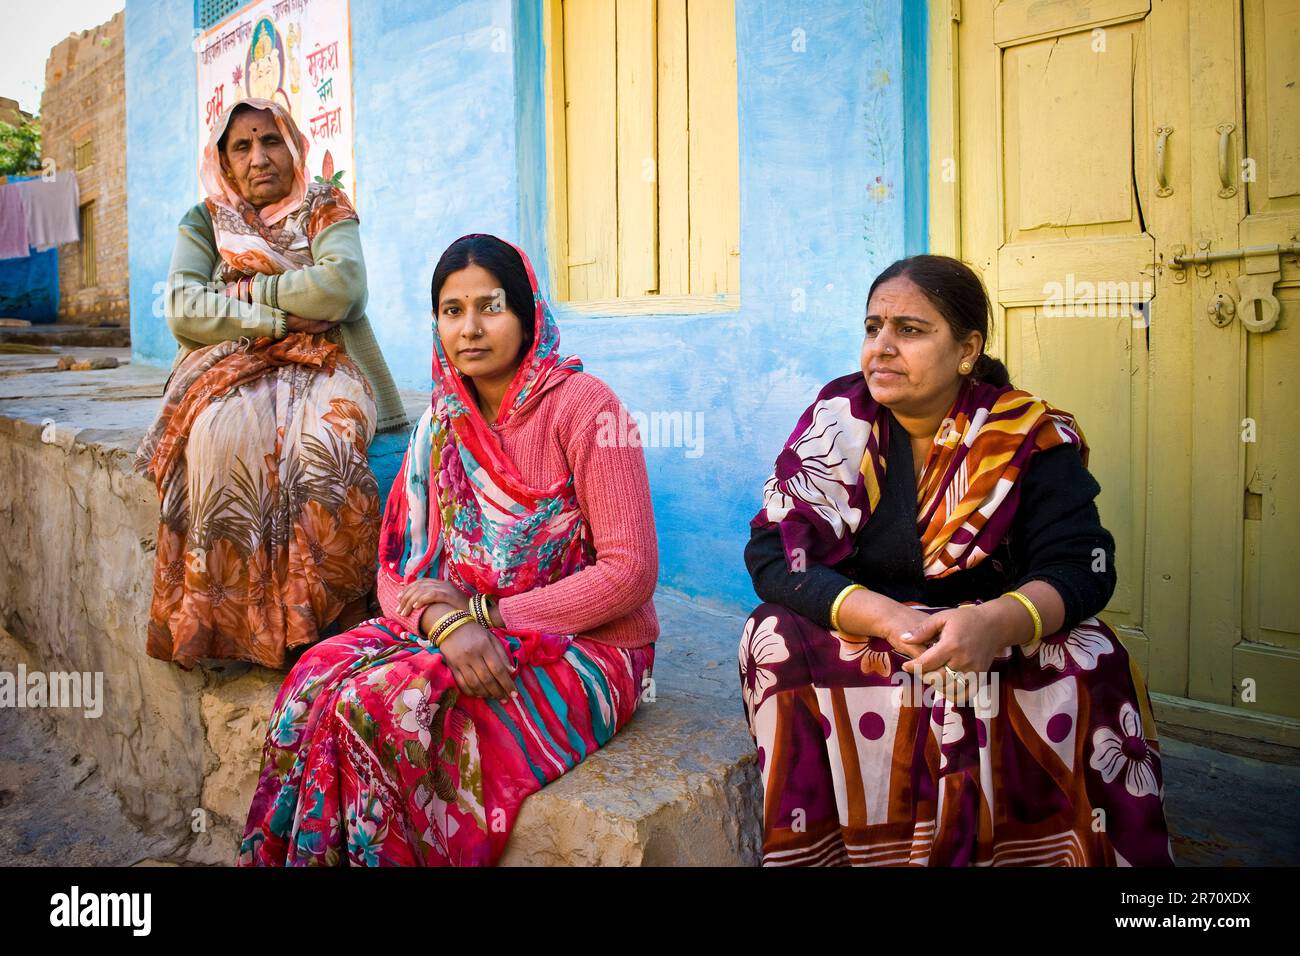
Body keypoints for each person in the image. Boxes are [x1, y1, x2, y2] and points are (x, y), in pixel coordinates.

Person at [739, 254, 1173, 866]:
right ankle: (829, 852)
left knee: (1095, 655)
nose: (882, 348)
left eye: (909, 331)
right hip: (881, 636)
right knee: (772, 635)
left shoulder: (1024, 437)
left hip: (993, 640)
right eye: (872, 328)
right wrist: (888, 619)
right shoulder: (835, 426)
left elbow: (1083, 565)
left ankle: (1056, 849)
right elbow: (774, 554)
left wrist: (997, 622)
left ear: (967, 349)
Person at [239, 234, 658, 866]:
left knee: (383, 706)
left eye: (490, 307)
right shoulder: (440, 423)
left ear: (527, 313)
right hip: (461, 626)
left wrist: (488, 617)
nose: (470, 328)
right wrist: (444, 620)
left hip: (590, 641)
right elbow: (397, 568)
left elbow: (630, 574)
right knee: (313, 677)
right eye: (451, 310)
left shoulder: (587, 409)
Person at [135, 97, 408, 670]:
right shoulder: (204, 219)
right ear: (225, 162)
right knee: (216, 438)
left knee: (324, 449)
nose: (259, 157)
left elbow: (344, 288)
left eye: (271, 140)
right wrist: (275, 318)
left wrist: (244, 295)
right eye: (242, 146)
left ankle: (331, 623)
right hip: (231, 363)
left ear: (294, 145)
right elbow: (184, 307)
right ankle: (240, 627)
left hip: (329, 359)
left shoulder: (323, 203)